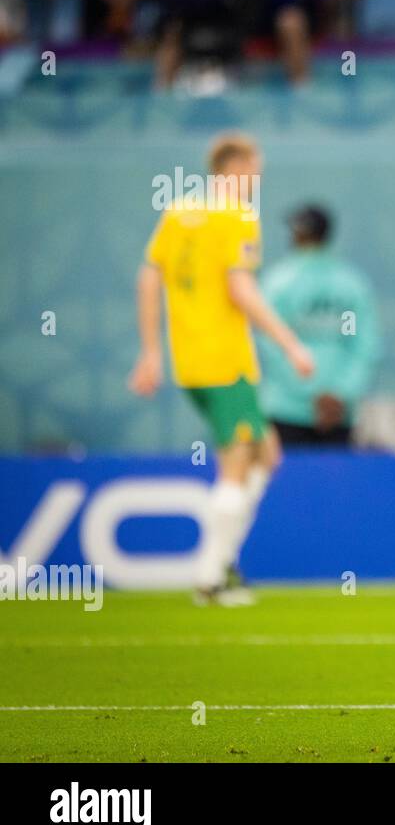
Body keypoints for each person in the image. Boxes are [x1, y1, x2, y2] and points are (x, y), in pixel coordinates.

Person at [128, 133, 315, 605]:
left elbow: (149, 278)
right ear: (235, 168)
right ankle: (210, 577)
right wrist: (292, 344)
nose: (256, 182)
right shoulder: (238, 217)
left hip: (190, 362)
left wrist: (152, 352)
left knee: (267, 454)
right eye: (255, 173)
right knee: (235, 466)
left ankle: (224, 557)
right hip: (226, 360)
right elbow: (242, 291)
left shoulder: (179, 213)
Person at [260, 205, 381, 446]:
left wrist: (311, 392)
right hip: (338, 413)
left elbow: (271, 343)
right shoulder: (350, 283)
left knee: (288, 483)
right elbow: (363, 346)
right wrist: (339, 393)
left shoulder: (279, 282)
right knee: (336, 483)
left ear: (296, 235)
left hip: (287, 410)